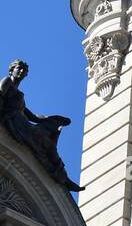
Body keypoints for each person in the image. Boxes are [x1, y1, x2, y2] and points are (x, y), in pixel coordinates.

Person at [0, 59, 82, 192]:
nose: (21, 71)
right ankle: (62, 177)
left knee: (47, 140)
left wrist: (51, 119)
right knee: (46, 144)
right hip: (12, 120)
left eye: (24, 70)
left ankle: (62, 175)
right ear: (11, 70)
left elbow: (31, 116)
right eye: (18, 68)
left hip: (21, 121)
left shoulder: (19, 94)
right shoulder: (7, 81)